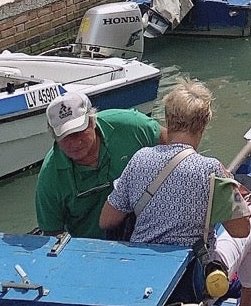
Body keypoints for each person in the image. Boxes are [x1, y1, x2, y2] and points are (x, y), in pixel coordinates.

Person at [100, 78, 251, 306]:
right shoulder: (210, 169)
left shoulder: (139, 158)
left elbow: (107, 220)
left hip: (142, 277)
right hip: (191, 284)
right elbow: (240, 229)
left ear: (167, 120)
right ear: (203, 125)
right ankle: (249, 303)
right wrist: (232, 194)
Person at [34, 89, 160, 239]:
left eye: (79, 131)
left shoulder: (132, 126)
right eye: (65, 136)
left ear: (92, 121)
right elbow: (51, 234)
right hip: (91, 248)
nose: (74, 143)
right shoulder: (49, 178)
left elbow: (176, 148)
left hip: (150, 232)